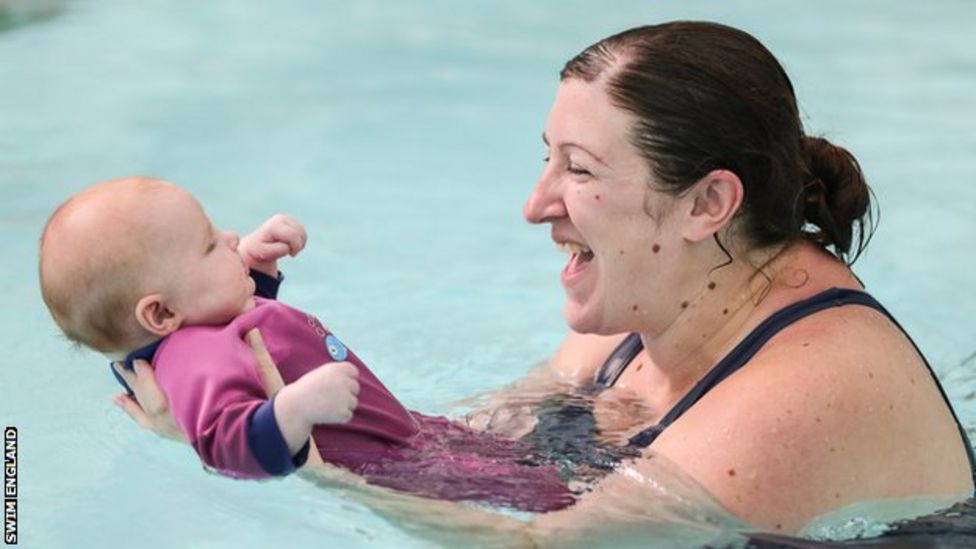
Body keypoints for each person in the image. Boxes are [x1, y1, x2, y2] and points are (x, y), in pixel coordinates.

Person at [113, 21, 975, 535]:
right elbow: (470, 442)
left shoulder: (800, 393)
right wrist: (245, 381)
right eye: (546, 161)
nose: (536, 205)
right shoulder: (664, 289)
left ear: (708, 202)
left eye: (581, 170)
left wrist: (280, 455)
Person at [38, 176, 574, 512]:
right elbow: (226, 444)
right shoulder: (187, 361)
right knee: (551, 496)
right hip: (390, 465)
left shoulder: (196, 329)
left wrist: (254, 267)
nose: (229, 239)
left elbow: (249, 338)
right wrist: (294, 409)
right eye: (209, 246)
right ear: (161, 313)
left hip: (404, 433)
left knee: (519, 456)